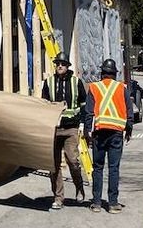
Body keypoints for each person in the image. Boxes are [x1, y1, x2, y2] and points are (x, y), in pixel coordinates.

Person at [83, 58, 133, 214]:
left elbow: (88, 112)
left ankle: (96, 202)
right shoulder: (122, 88)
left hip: (99, 133)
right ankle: (112, 203)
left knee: (98, 168)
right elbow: (129, 111)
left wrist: (87, 132)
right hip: (116, 133)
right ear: (114, 74)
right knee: (113, 168)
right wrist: (129, 129)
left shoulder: (94, 87)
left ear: (102, 73)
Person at [41, 54, 87, 209]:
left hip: (71, 127)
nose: (59, 66)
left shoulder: (76, 82)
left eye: (62, 64)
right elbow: (44, 105)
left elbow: (83, 104)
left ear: (67, 66)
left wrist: (82, 124)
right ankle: (58, 197)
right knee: (53, 165)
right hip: (54, 128)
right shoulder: (49, 82)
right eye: (57, 64)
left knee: (73, 161)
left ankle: (79, 187)